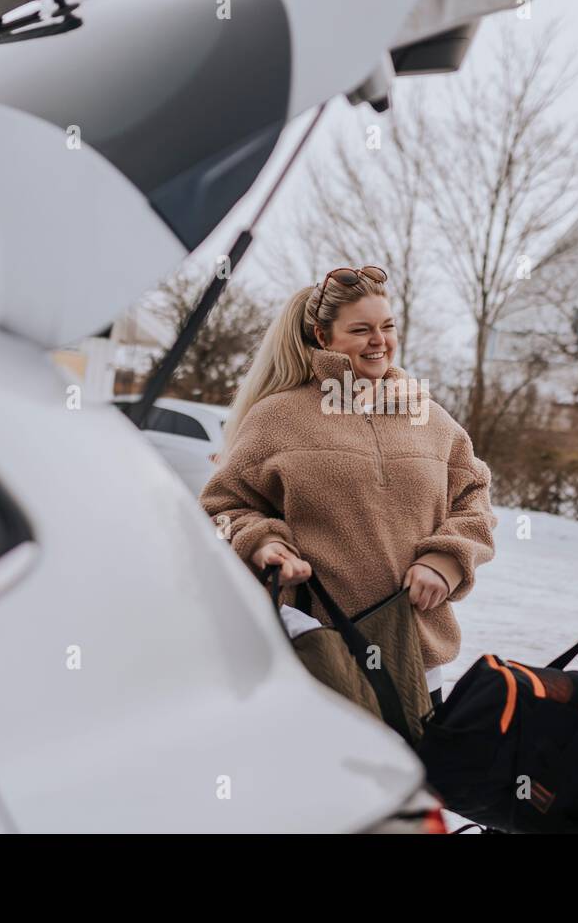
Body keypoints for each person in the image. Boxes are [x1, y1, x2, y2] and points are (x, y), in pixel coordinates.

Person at [200, 265, 497, 708]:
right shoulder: (277, 418)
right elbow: (221, 509)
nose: (380, 341)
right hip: (316, 653)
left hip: (416, 659)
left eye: (387, 326)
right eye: (361, 329)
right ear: (322, 336)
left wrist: (445, 562)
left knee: (405, 776)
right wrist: (264, 545)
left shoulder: (431, 418)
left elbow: (475, 502)